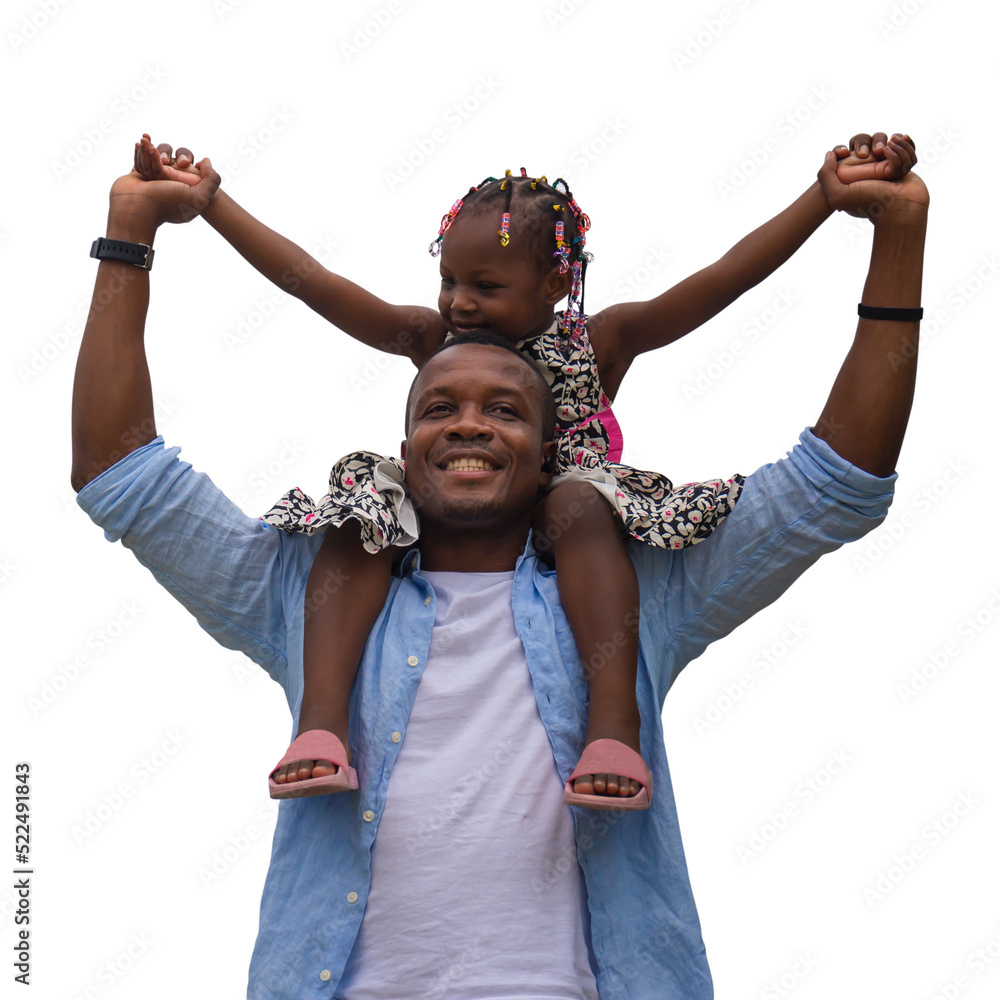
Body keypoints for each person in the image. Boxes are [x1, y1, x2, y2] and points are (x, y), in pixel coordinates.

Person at [72, 136, 928, 998]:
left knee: (584, 515)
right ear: (405, 445)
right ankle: (322, 728)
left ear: (549, 437)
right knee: (352, 524)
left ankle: (611, 734)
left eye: (506, 410)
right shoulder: (313, 590)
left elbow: (834, 483)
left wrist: (881, 230)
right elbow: (125, 474)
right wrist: (136, 231)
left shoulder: (631, 595)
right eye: (439, 405)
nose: (471, 423)